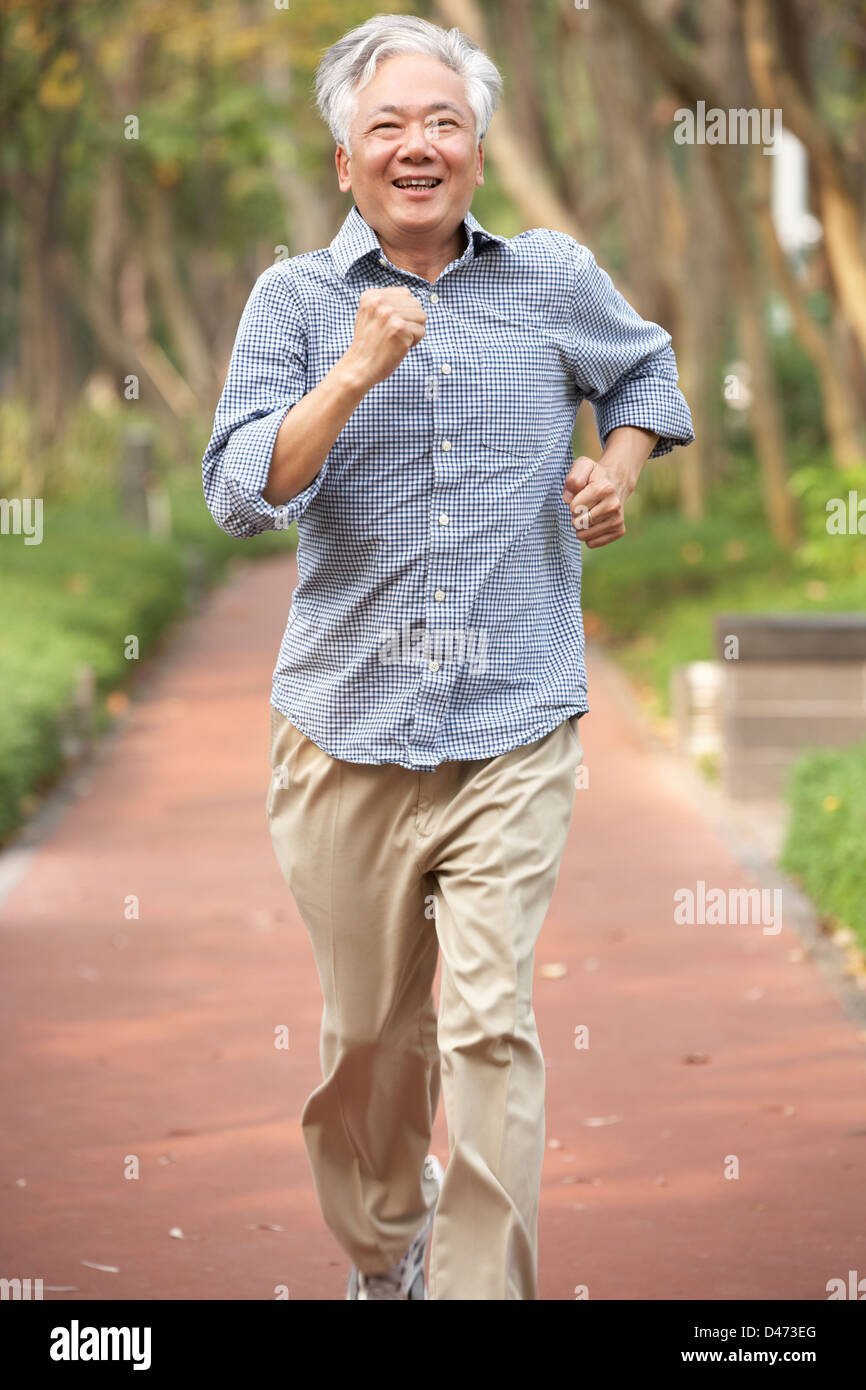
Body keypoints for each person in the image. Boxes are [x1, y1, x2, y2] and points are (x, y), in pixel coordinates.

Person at [201, 12, 694, 1301]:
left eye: (444, 124)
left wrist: (617, 471)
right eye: (388, 125)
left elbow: (645, 370)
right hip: (343, 725)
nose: (417, 145)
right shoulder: (298, 300)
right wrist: (354, 371)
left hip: (515, 716)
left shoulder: (552, 277)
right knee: (371, 1042)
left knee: (489, 1027)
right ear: (346, 158)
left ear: (477, 150)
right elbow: (243, 494)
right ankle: (385, 1251)